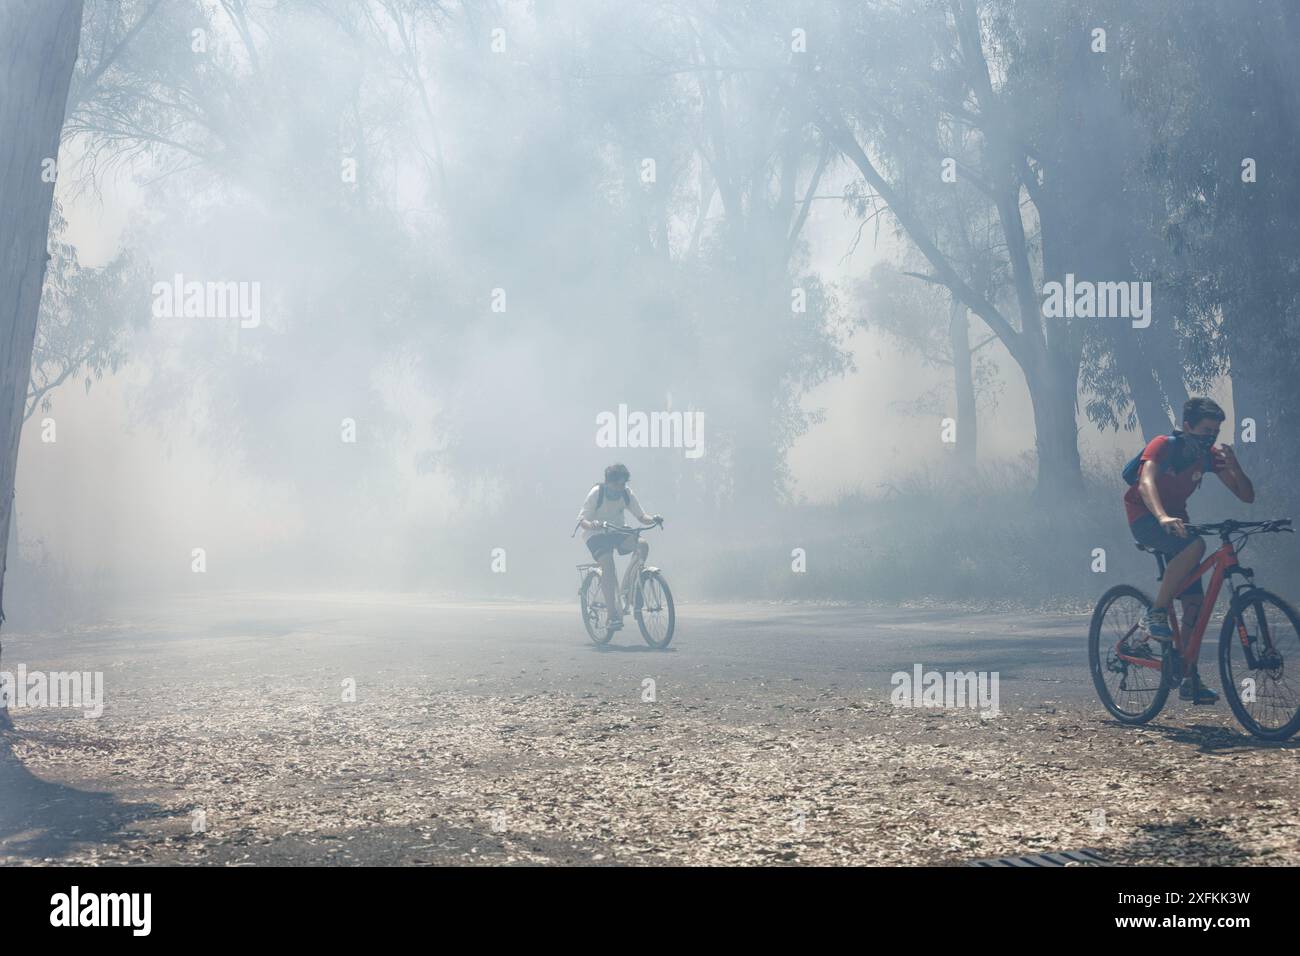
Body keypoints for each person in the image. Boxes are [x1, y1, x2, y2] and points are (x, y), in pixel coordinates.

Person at [1124, 397, 1255, 704]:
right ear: (1187, 426)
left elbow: (1246, 496)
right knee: (1195, 545)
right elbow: (1145, 484)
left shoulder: (1208, 456)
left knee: (1194, 602)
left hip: (1178, 522)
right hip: (1146, 517)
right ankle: (1156, 612)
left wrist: (1235, 467)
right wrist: (1162, 517)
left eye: (1216, 431)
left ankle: (1188, 677)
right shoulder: (1163, 445)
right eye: (1206, 429)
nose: (1211, 436)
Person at [577, 463, 661, 631]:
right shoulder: (596, 493)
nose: (619, 488)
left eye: (623, 484)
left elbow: (641, 516)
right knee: (608, 563)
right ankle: (612, 614)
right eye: (616, 484)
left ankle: (628, 590)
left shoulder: (626, 493)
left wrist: (653, 519)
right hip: (596, 534)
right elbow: (582, 521)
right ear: (607, 482)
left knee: (642, 545)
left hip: (617, 530)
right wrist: (592, 524)